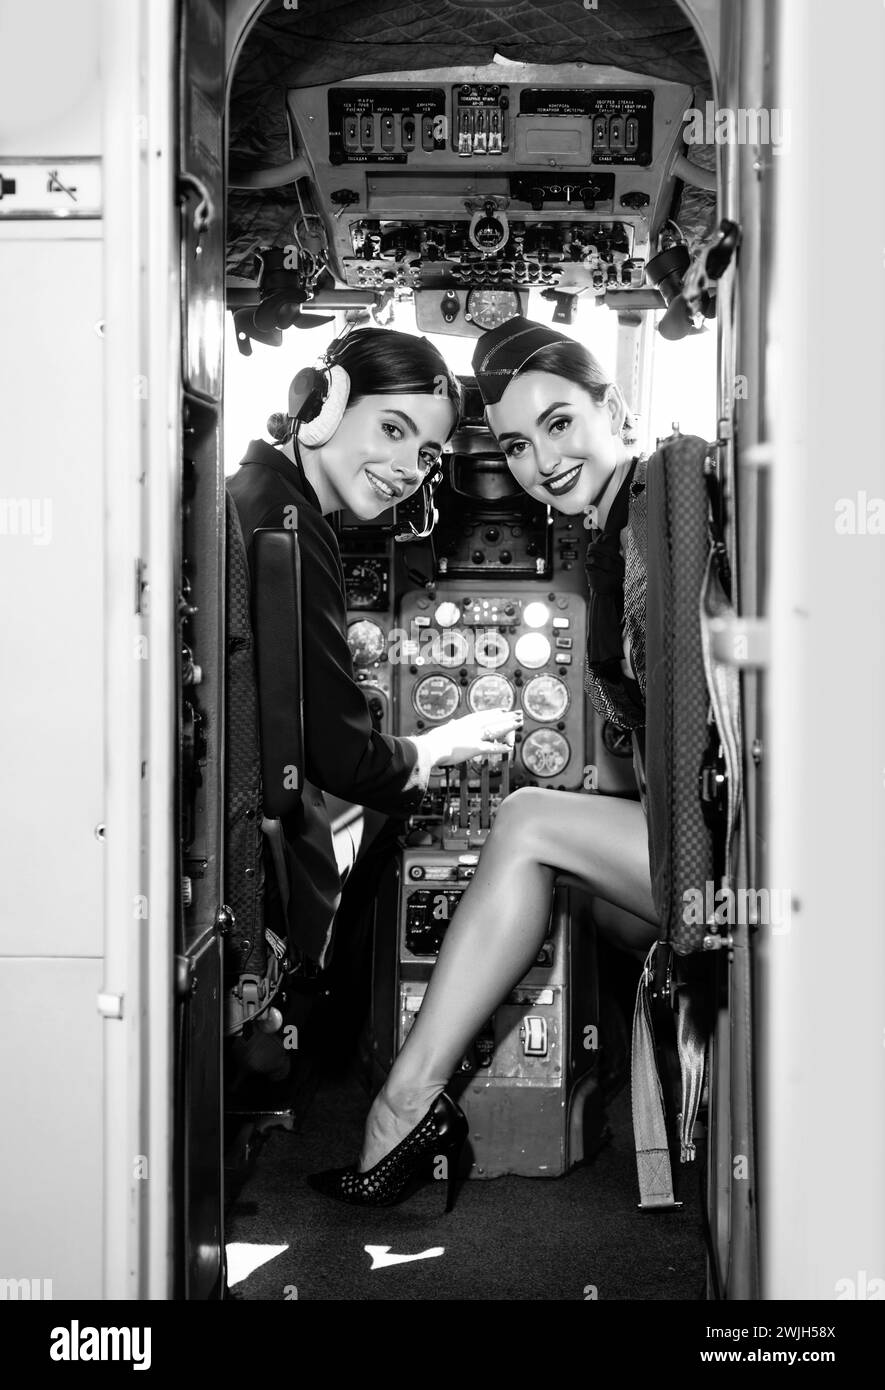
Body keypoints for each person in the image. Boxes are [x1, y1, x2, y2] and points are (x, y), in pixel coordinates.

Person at [307, 317, 659, 1210]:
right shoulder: (635, 523)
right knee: (568, 883)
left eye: (557, 423)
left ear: (610, 408)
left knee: (526, 817)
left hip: (736, 856)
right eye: (514, 443)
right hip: (704, 839)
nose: (541, 461)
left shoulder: (658, 519)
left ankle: (405, 1102)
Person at [227, 326, 520, 970]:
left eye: (427, 454)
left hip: (250, 812)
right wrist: (446, 743)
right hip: (267, 841)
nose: (408, 471)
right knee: (403, 830)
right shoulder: (294, 527)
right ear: (324, 404)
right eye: (393, 430)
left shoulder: (249, 494)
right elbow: (351, 764)